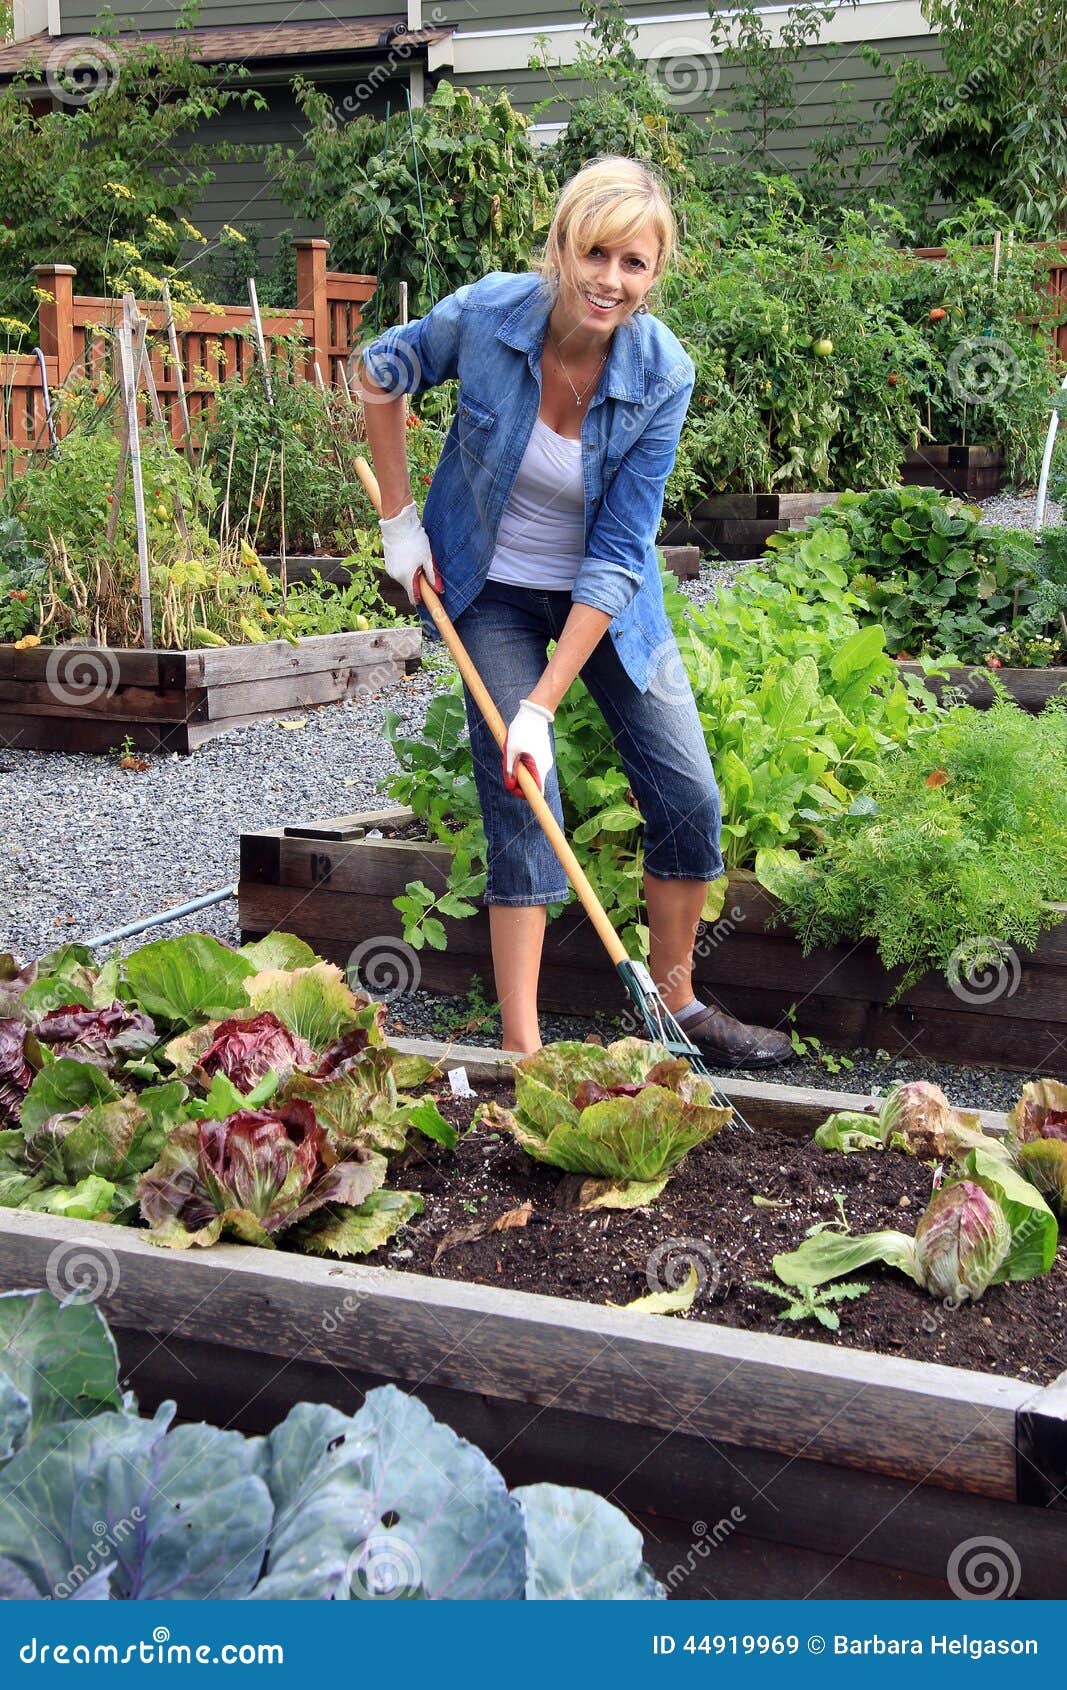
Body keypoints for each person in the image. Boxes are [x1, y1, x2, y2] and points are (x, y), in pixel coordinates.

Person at [355, 155, 790, 1068]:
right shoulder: (485, 315)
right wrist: (400, 522)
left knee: (688, 793)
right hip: (490, 589)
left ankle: (672, 1007)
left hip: (607, 603)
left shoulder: (662, 374)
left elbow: (620, 554)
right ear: (561, 246)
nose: (611, 280)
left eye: (635, 263)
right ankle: (524, 1051)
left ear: (655, 272)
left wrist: (541, 707)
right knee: (523, 796)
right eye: (596, 253)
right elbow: (377, 371)